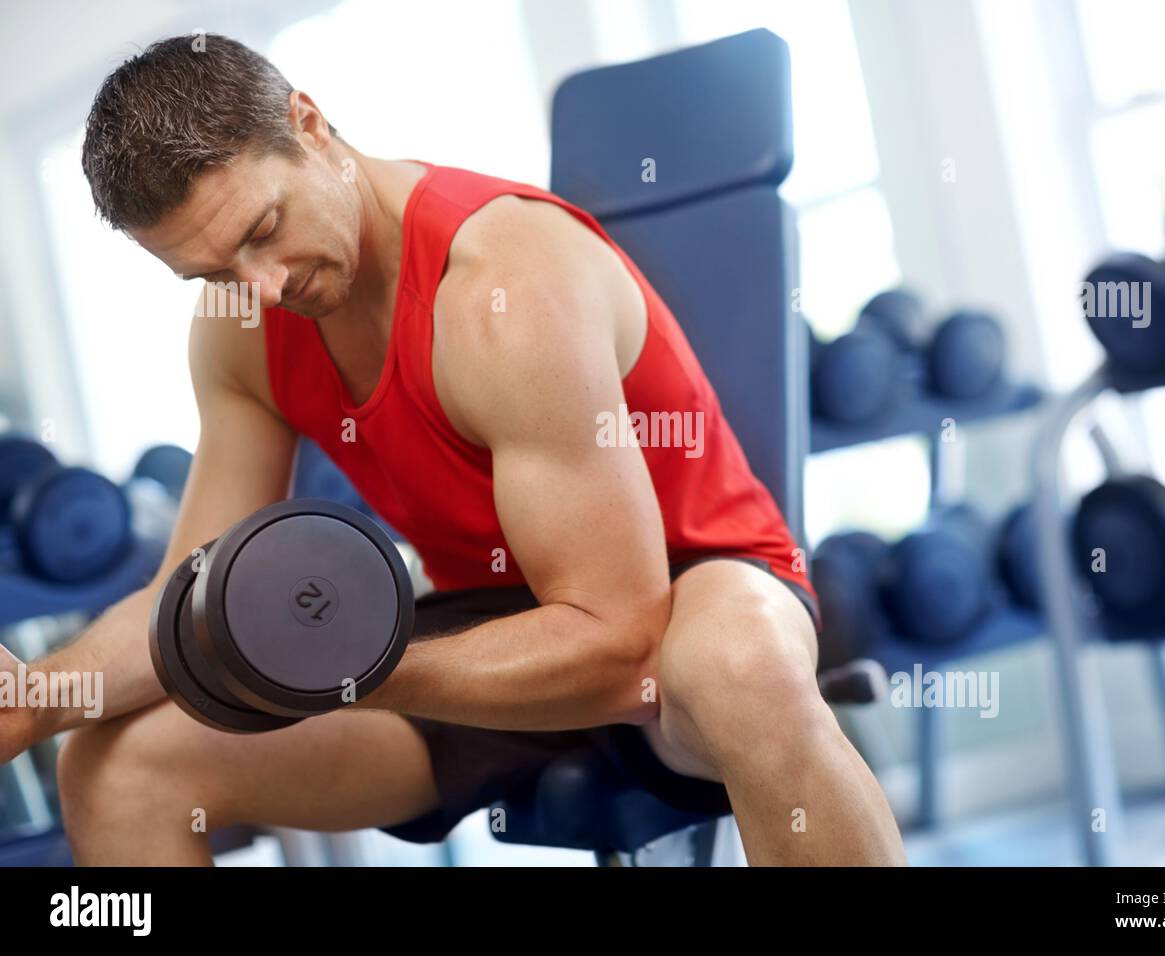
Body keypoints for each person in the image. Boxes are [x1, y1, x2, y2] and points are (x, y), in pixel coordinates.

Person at [0, 34, 906, 866]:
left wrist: (348, 665)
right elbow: (180, 597)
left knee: (739, 668)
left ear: (308, 125)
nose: (262, 290)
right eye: (210, 274)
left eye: (264, 231)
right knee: (113, 765)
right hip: (492, 635)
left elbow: (620, 646)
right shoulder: (243, 323)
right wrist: (35, 699)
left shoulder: (505, 286)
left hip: (679, 601)